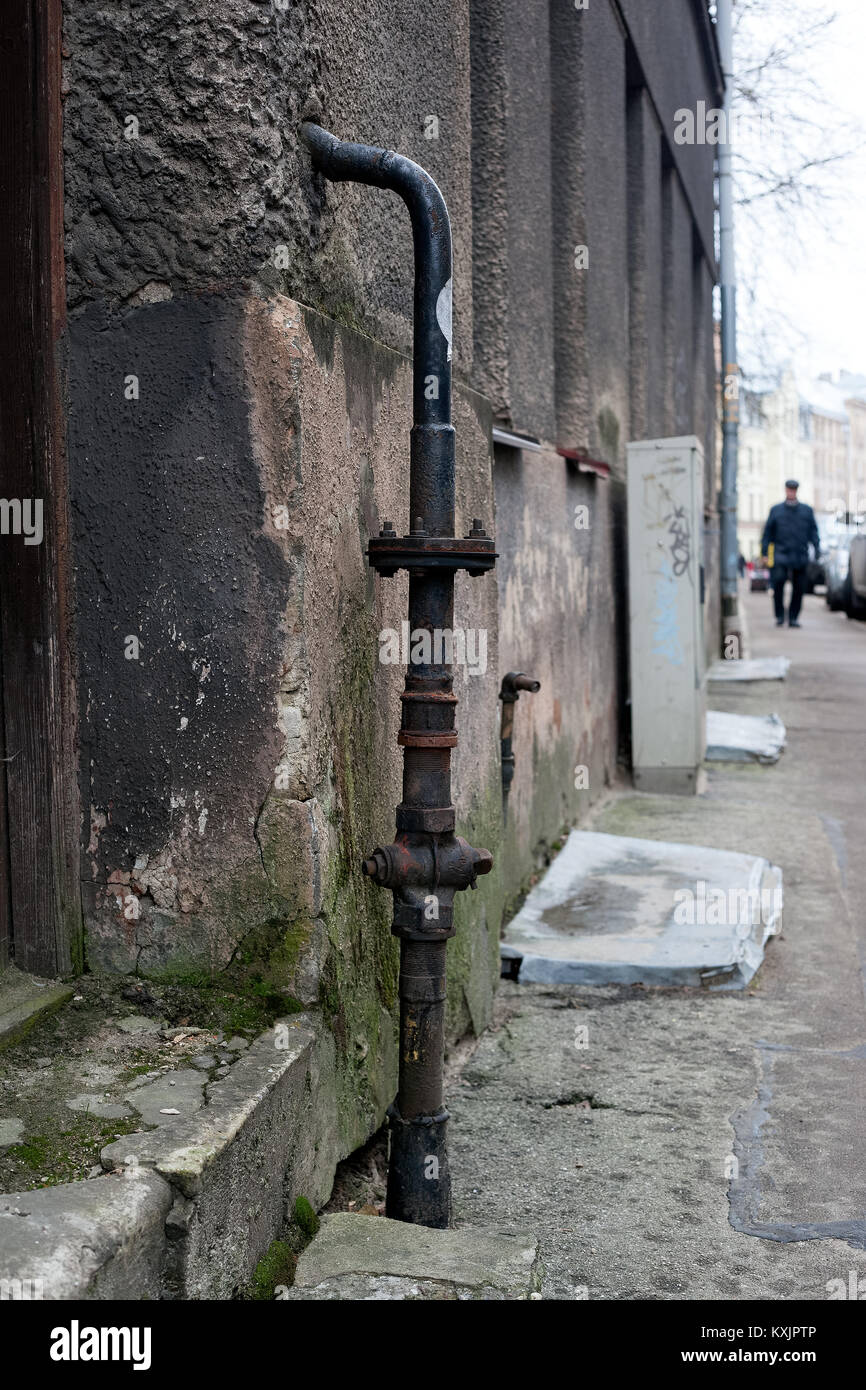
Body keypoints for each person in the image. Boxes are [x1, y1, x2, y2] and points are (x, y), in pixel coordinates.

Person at [760, 479, 820, 628]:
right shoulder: (776, 510)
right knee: (778, 582)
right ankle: (780, 615)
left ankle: (793, 617)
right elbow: (767, 532)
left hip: (800, 554)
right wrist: (765, 552)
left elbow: (813, 531)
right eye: (789, 490)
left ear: (796, 491)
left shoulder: (806, 510)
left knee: (799, 588)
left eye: (793, 490)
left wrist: (817, 548)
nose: (791, 492)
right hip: (781, 553)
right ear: (786, 490)